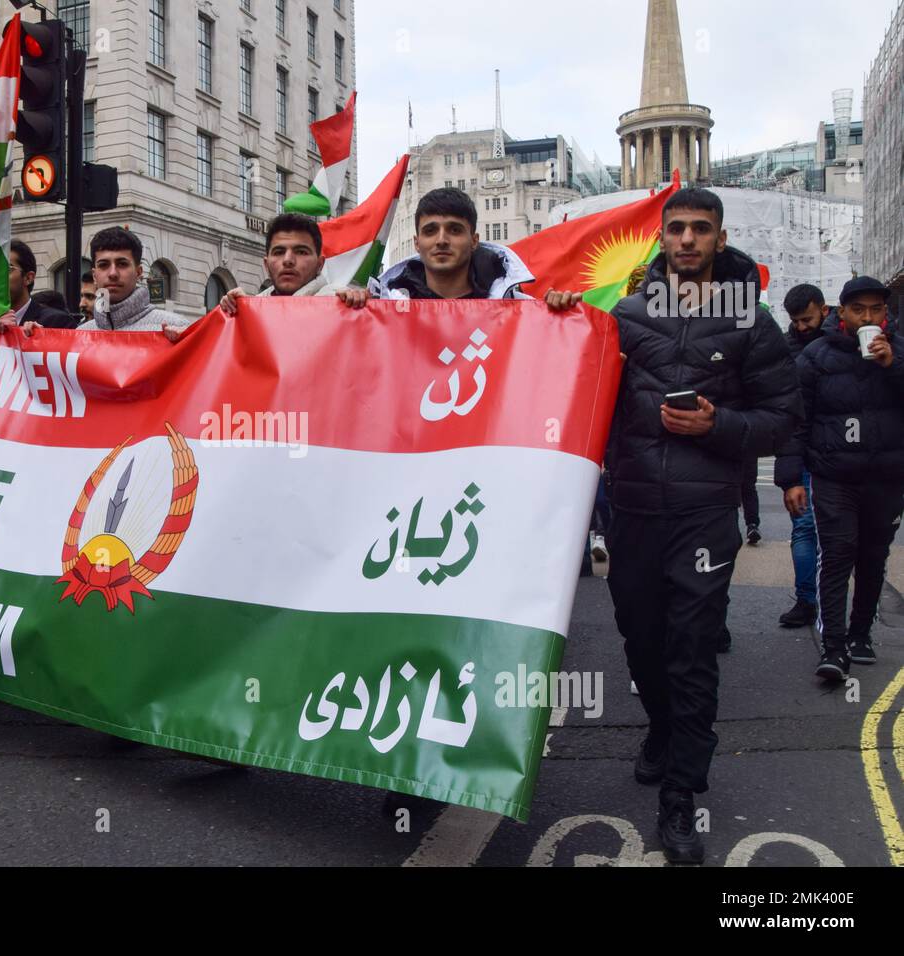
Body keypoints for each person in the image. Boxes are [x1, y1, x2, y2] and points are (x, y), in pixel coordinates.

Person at [604, 187, 801, 864]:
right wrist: (564, 315)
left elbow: (782, 418)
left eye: (701, 229)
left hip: (704, 514)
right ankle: (661, 728)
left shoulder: (752, 323)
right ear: (662, 238)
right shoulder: (624, 316)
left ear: (719, 238)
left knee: (691, 650)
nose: (687, 240)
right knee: (641, 636)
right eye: (677, 229)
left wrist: (721, 426)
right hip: (630, 510)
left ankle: (681, 796)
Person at [776, 276, 903, 680]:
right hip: (833, 476)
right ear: (842, 313)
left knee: (872, 557)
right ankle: (833, 647)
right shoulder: (814, 357)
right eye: (859, 309)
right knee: (838, 553)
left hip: (886, 477)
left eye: (876, 310)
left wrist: (892, 366)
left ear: (885, 315)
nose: (869, 317)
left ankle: (860, 634)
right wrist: (790, 478)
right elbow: (797, 421)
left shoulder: (898, 352)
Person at [372, 187, 581, 309]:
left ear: (474, 241)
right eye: (430, 231)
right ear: (417, 243)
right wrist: (351, 310)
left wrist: (560, 316)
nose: (441, 240)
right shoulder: (386, 310)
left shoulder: (519, 311)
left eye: (454, 230)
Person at [773, 283, 832, 628]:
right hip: (804, 448)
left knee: (849, 535)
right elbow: (785, 410)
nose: (801, 327)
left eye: (807, 319)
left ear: (824, 310)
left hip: (842, 451)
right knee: (804, 527)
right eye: (795, 321)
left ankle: (838, 608)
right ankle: (808, 599)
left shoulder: (851, 339)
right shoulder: (786, 347)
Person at [217, 213, 369, 313]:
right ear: (266, 264)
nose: (288, 260)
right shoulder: (249, 309)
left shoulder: (340, 302)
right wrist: (238, 312)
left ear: (320, 264)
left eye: (301, 252)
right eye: (279, 252)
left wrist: (356, 308)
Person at [78, 227, 188, 332]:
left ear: (139, 272)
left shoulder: (175, 327)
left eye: (122, 264)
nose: (113, 273)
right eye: (103, 265)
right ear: (94, 276)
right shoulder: (80, 335)